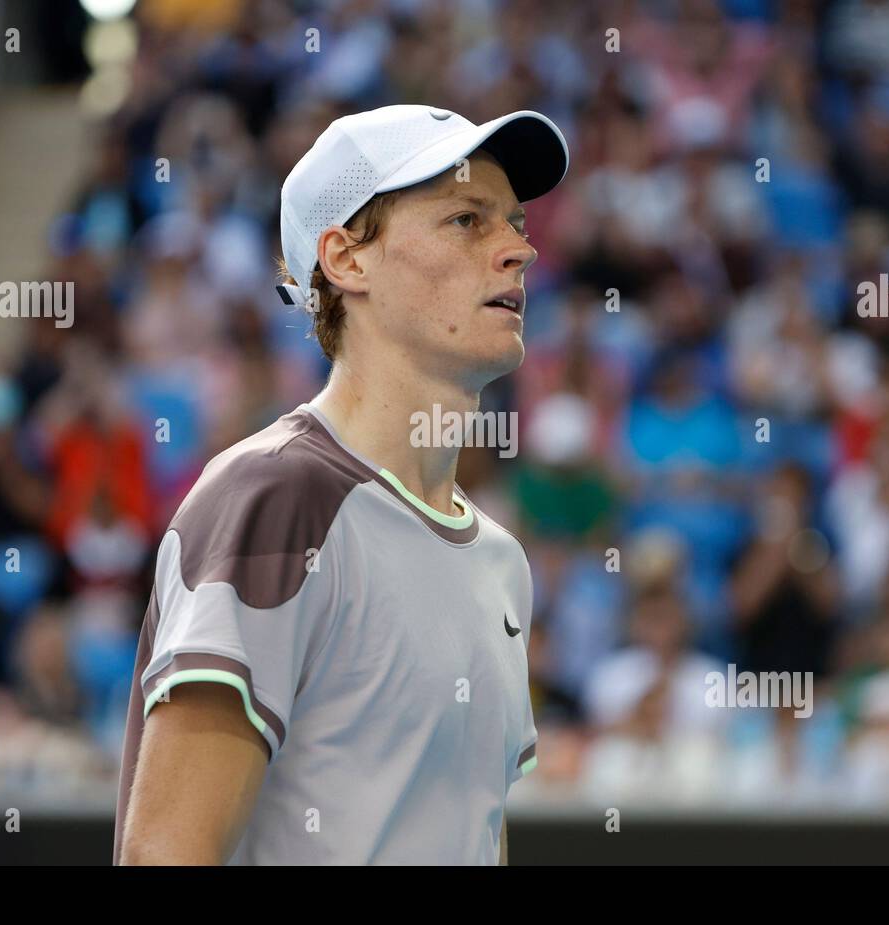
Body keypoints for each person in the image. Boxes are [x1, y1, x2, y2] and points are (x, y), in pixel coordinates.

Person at [114, 104, 569, 864]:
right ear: (346, 260)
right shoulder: (274, 500)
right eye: (467, 220)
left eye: (516, 223)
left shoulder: (502, 562)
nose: (518, 249)